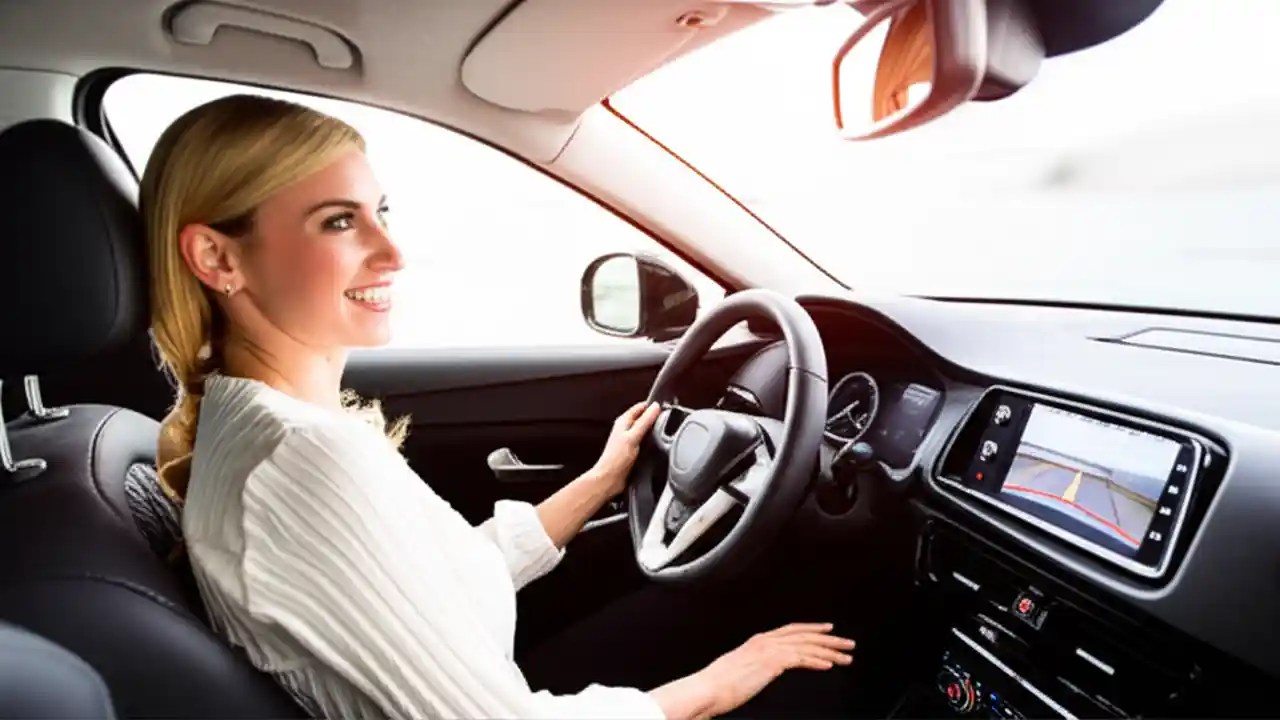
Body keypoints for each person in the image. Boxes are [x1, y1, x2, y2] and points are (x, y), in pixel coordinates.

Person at [142, 93, 855, 719]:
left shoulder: (271, 428)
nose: (392, 252)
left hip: (497, 674)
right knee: (837, 680)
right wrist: (717, 687)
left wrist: (601, 480)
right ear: (218, 259)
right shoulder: (302, 463)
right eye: (337, 222)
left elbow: (443, 580)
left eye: (380, 212)